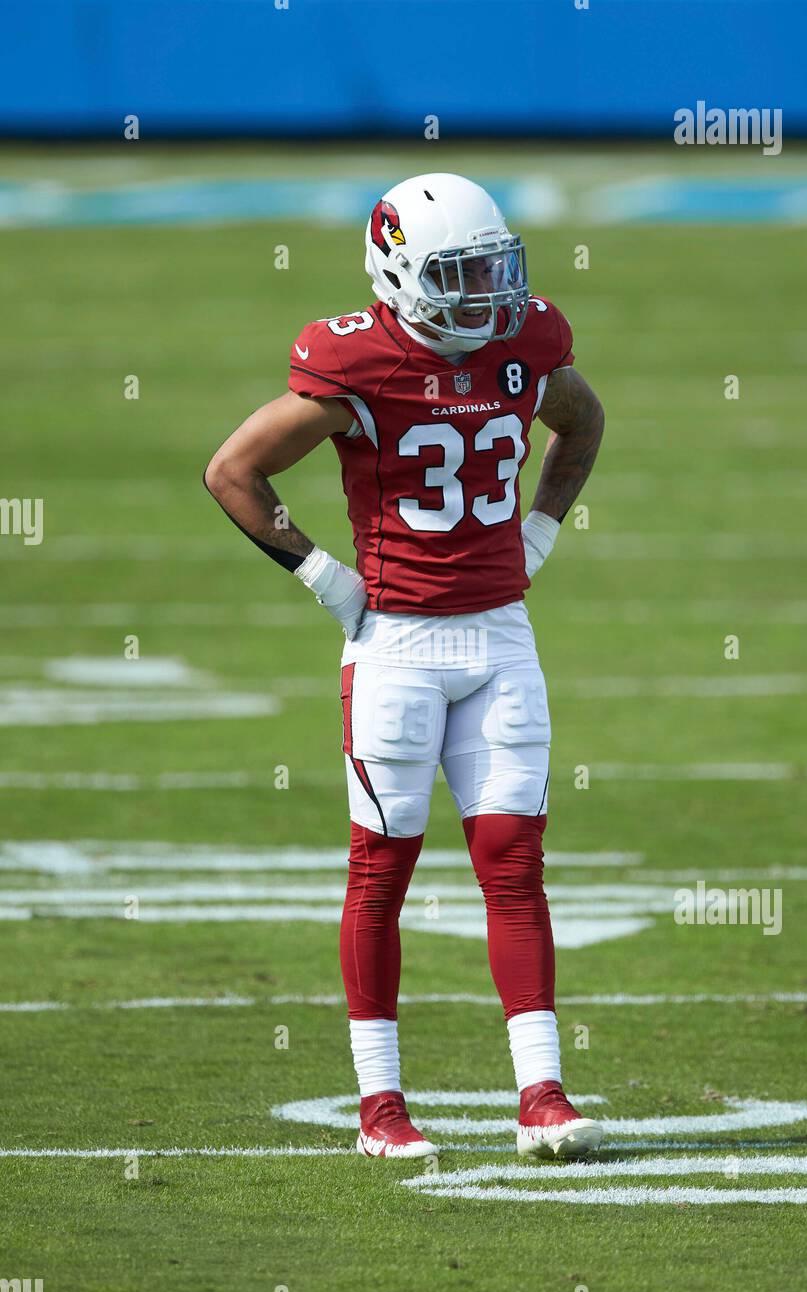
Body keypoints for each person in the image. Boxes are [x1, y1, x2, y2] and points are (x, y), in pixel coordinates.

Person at [205, 173, 605, 1160]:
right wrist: (325, 578)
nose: (488, 293)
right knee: (381, 871)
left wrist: (541, 533)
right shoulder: (356, 363)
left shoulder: (523, 344)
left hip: (501, 637)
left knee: (514, 864)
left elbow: (582, 421)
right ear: (397, 271)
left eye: (493, 267)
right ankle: (379, 1107)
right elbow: (232, 470)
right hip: (398, 649)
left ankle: (542, 1093)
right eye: (460, 273)